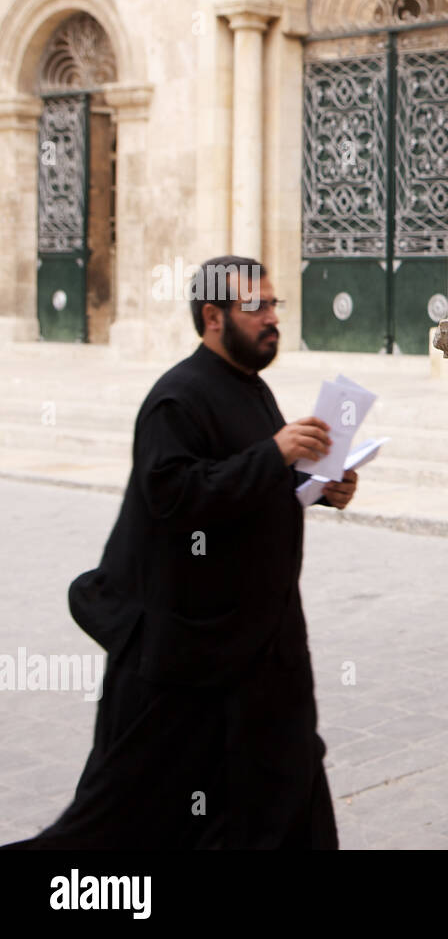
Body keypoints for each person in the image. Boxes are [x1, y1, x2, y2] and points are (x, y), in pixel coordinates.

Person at [3, 256, 358, 849]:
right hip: (191, 663)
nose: (273, 318)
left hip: (263, 655)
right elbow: (175, 497)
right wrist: (273, 454)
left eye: (274, 305)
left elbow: (242, 485)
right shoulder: (177, 398)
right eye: (256, 307)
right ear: (214, 317)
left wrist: (317, 488)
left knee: (287, 801)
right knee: (123, 826)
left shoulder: (250, 389)